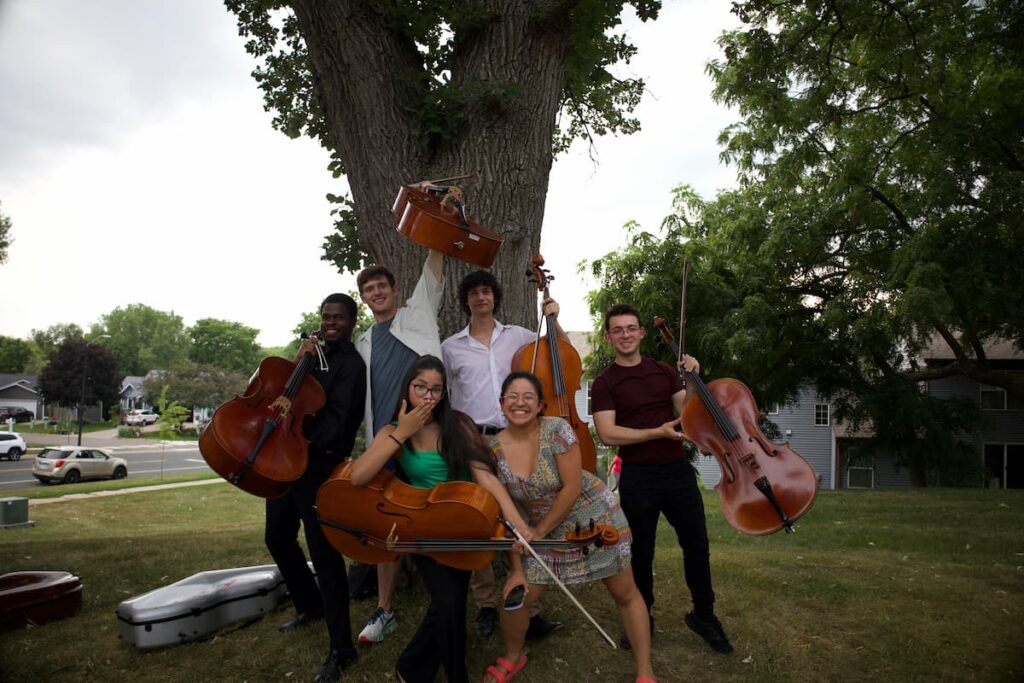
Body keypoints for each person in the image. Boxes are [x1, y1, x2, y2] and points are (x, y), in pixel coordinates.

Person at [474, 371, 657, 683]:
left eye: (528, 397)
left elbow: (571, 488)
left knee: (625, 592)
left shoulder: (557, 429)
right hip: (533, 528)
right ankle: (512, 656)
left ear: (541, 405)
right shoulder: (491, 450)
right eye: (512, 397)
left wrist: (539, 531)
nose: (520, 403)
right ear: (502, 404)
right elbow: (508, 512)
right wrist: (517, 567)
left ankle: (645, 672)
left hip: (591, 516)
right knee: (517, 596)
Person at [347, 355, 500, 683]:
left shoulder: (457, 424)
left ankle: (412, 667)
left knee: (450, 605)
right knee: (448, 603)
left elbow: (486, 477)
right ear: (408, 388)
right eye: (421, 388)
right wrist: (402, 433)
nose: (428, 397)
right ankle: (457, 676)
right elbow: (358, 477)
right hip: (423, 529)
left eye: (436, 390)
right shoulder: (394, 431)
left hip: (463, 526)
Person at [590, 303, 733, 654]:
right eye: (617, 330)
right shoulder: (605, 382)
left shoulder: (665, 372)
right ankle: (642, 617)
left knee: (697, 546)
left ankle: (704, 615)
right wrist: (656, 432)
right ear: (609, 338)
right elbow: (608, 434)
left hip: (676, 472)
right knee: (641, 552)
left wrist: (694, 377)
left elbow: (689, 413)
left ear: (641, 333)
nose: (625, 334)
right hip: (638, 475)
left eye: (631, 328)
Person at [440, 269, 563, 641]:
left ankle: (530, 608)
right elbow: (445, 398)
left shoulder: (522, 337)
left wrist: (555, 319)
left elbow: (559, 354)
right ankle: (487, 606)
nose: (481, 297)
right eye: (474, 292)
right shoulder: (450, 347)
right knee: (477, 522)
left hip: (515, 438)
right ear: (465, 300)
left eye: (487, 291)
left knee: (523, 517)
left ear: (495, 297)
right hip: (472, 440)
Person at [264, 293, 366, 682]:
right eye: (325, 316)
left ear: (352, 321)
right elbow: (287, 394)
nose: (330, 323)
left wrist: (299, 429)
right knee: (277, 537)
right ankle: (309, 605)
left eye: (338, 317)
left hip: (319, 465)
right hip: (286, 463)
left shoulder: (351, 366)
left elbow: (339, 425)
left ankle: (342, 649)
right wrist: (298, 362)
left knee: (325, 556)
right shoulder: (311, 358)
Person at [354, 249, 444, 643]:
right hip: (388, 438)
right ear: (364, 298)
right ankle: (385, 609)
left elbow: (434, 268)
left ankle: (460, 596)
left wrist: (435, 226)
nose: (376, 292)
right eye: (369, 289)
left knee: (441, 511)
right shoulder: (362, 342)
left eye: (381, 286)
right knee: (384, 524)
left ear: (395, 290)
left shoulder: (416, 315)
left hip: (429, 437)